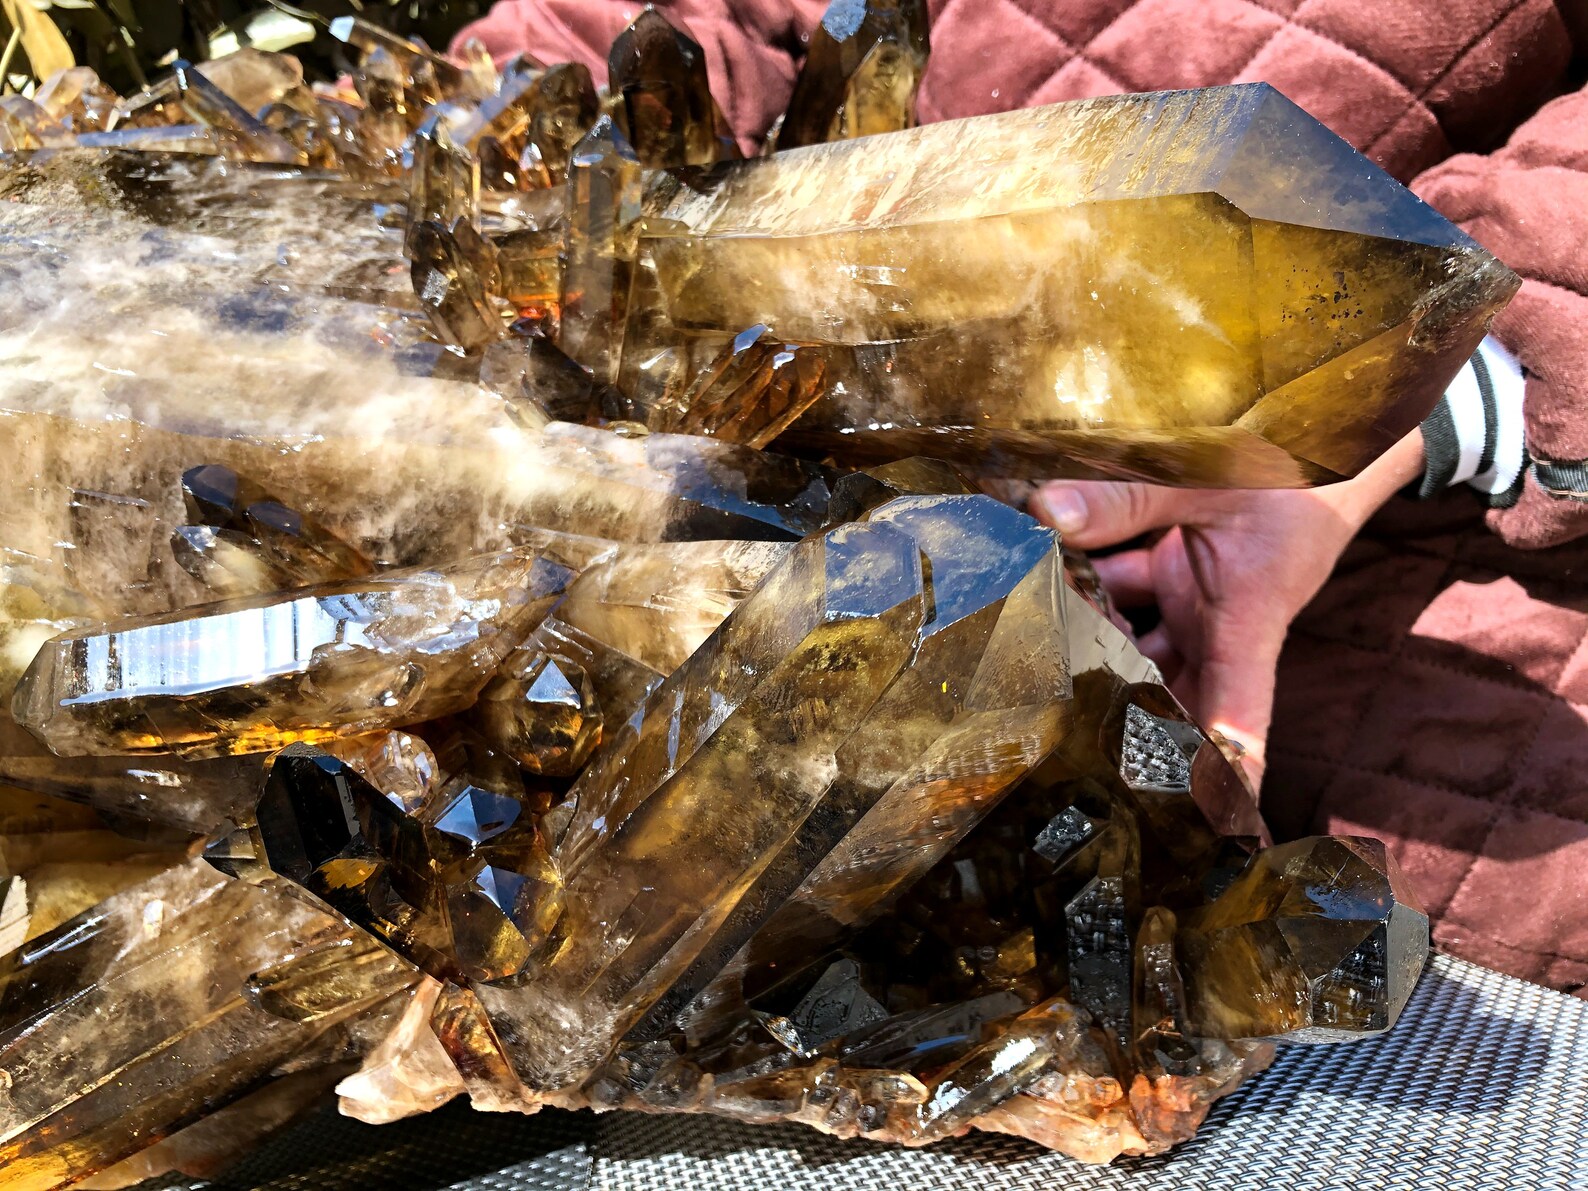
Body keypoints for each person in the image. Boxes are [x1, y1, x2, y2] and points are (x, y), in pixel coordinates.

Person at [453, 0, 1588, 996]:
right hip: (843, 610)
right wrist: (497, 138)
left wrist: (1440, 404)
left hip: (1428, 706)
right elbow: (664, 33)